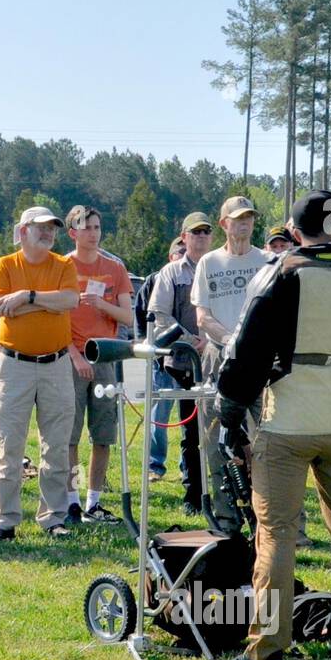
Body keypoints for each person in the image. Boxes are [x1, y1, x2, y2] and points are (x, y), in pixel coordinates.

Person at [216, 190, 331, 660]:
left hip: (286, 422)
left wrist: (229, 414)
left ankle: (267, 651)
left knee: (275, 536)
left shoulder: (280, 273)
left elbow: (245, 353)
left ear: (294, 232)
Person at [0, 206, 80, 540]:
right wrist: (46, 304)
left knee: (56, 446)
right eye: (41, 227)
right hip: (15, 365)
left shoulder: (64, 264)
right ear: (23, 230)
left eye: (52, 227)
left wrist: (27, 297)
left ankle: (53, 518)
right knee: (9, 445)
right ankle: (4, 520)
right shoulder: (5, 264)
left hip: (57, 364)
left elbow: (70, 300)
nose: (48, 232)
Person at [192, 195, 273, 535]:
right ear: (223, 223)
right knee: (216, 442)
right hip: (218, 359)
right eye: (238, 218)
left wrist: (250, 344)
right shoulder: (209, 263)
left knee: (270, 443)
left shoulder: (268, 261)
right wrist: (230, 340)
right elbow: (202, 316)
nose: (244, 223)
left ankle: (275, 522)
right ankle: (226, 522)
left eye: (249, 217)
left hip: (262, 362)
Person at [64, 205, 134, 526]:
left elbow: (128, 317)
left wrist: (102, 304)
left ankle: (94, 502)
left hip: (105, 356)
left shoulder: (115, 268)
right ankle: (72, 501)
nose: (93, 233)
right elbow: (55, 321)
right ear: (73, 233)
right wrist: (75, 356)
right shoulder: (62, 267)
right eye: (86, 227)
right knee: (70, 436)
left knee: (103, 434)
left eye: (97, 227)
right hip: (72, 357)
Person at [147, 213, 212, 515]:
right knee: (192, 434)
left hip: (219, 362)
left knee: (224, 432)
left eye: (206, 231)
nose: (201, 236)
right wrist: (190, 339)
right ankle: (193, 495)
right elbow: (160, 314)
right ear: (184, 237)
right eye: (195, 232)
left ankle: (225, 495)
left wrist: (213, 340)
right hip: (185, 364)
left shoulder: (219, 267)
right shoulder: (171, 273)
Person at [135, 238, 186, 482]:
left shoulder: (198, 276)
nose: (183, 256)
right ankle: (155, 465)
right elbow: (141, 316)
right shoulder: (153, 281)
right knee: (159, 416)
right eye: (179, 252)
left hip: (190, 359)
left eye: (186, 252)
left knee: (190, 418)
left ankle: (188, 467)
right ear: (170, 256)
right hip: (161, 359)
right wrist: (146, 347)